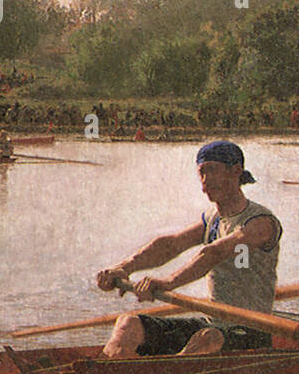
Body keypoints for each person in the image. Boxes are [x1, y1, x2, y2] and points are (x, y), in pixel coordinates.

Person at [95, 140, 283, 358]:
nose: (205, 181)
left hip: (253, 330)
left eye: (212, 171)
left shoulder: (261, 223)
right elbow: (170, 245)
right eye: (201, 173)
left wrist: (167, 283)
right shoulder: (212, 220)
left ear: (235, 171)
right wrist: (124, 268)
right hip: (213, 321)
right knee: (128, 324)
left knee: (208, 339)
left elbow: (214, 253)